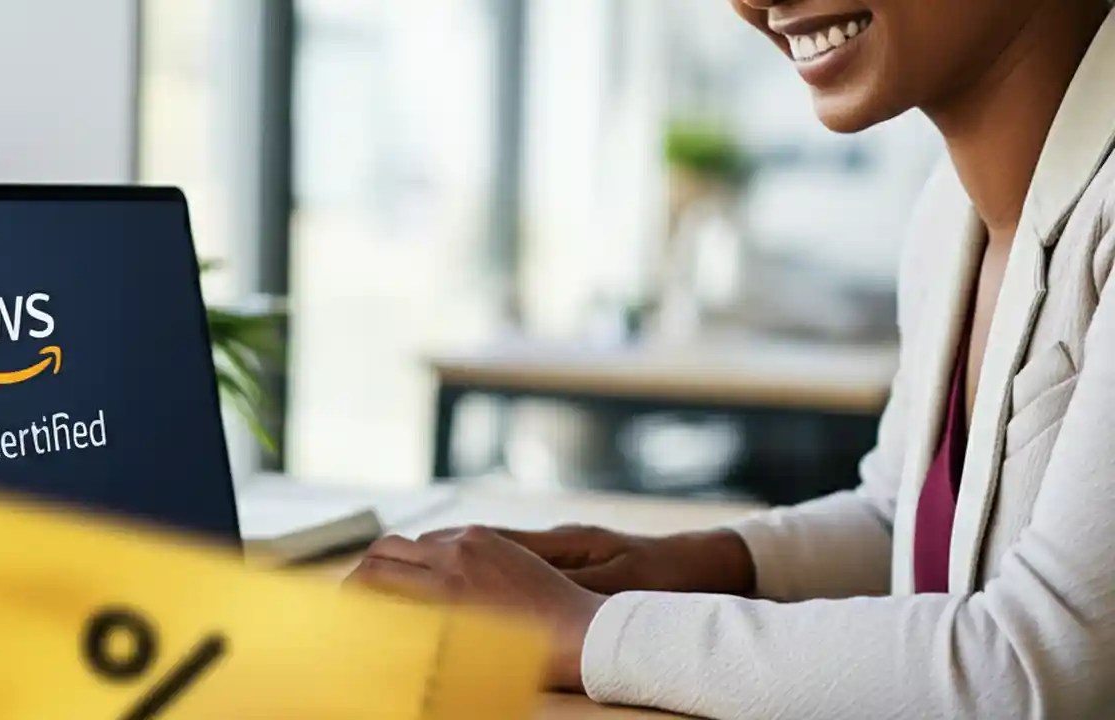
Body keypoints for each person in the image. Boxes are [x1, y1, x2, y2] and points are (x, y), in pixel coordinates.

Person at [347, 0, 1115, 716]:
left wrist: (587, 629)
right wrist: (694, 562)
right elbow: (903, 525)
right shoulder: (949, 213)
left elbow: (1041, 663)